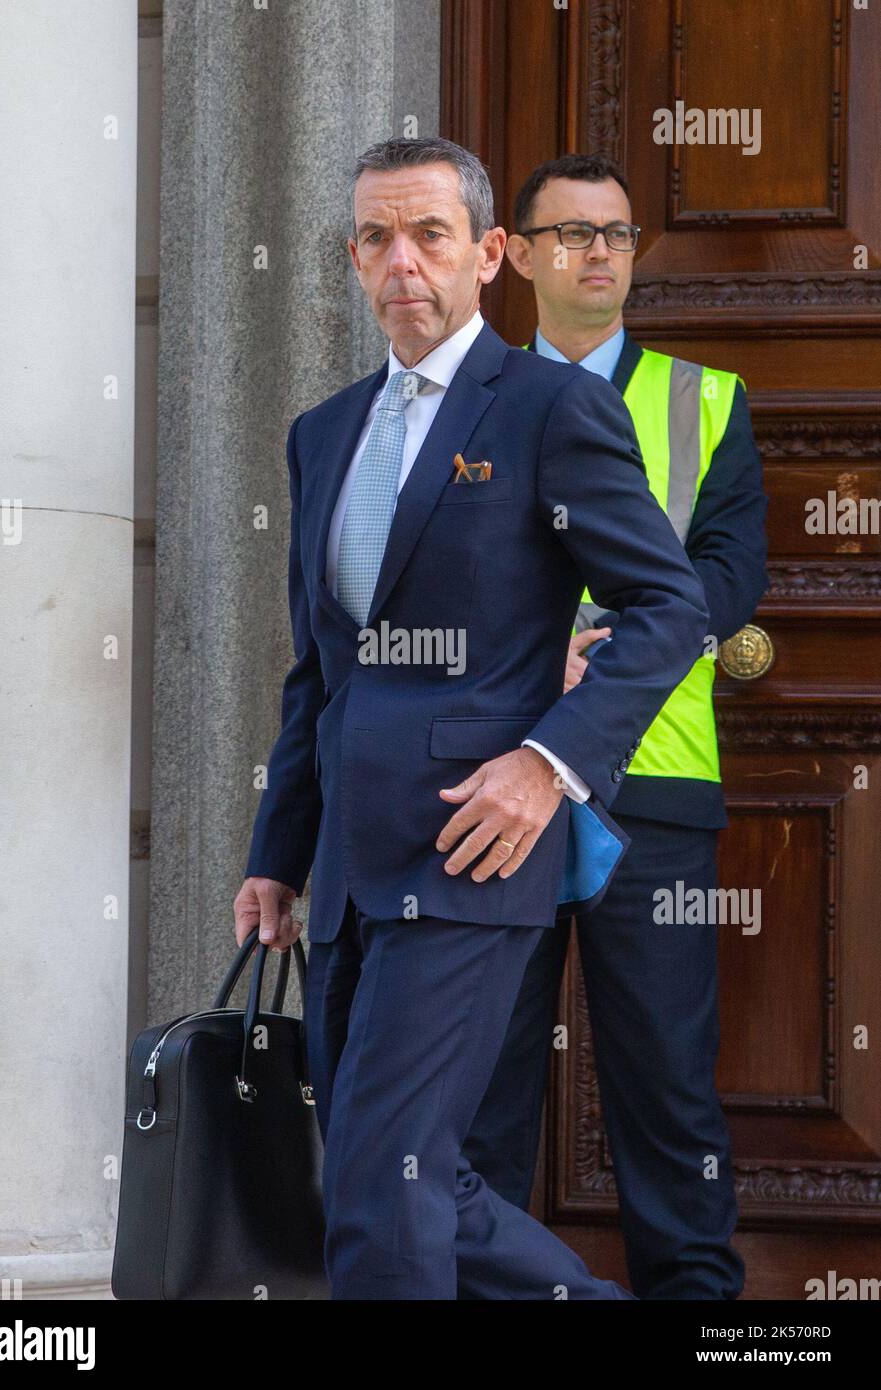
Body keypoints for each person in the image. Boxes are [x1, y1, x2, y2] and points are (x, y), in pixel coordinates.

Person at [233, 136, 709, 1300]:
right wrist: (278, 856)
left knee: (382, 1185)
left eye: (431, 234)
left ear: (489, 255)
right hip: (349, 863)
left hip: (470, 847)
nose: (404, 261)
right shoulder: (322, 434)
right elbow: (320, 672)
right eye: (377, 237)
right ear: (352, 258)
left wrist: (549, 765)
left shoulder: (546, 408)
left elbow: (668, 604)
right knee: (400, 1174)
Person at [462, 153, 768, 1300]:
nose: (601, 252)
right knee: (485, 1080)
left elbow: (730, 570)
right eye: (575, 232)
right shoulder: (469, 396)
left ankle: (697, 1307)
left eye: (620, 234)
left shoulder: (707, 399)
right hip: (489, 785)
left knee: (666, 1084)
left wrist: (610, 641)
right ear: (522, 256)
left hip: (654, 787)